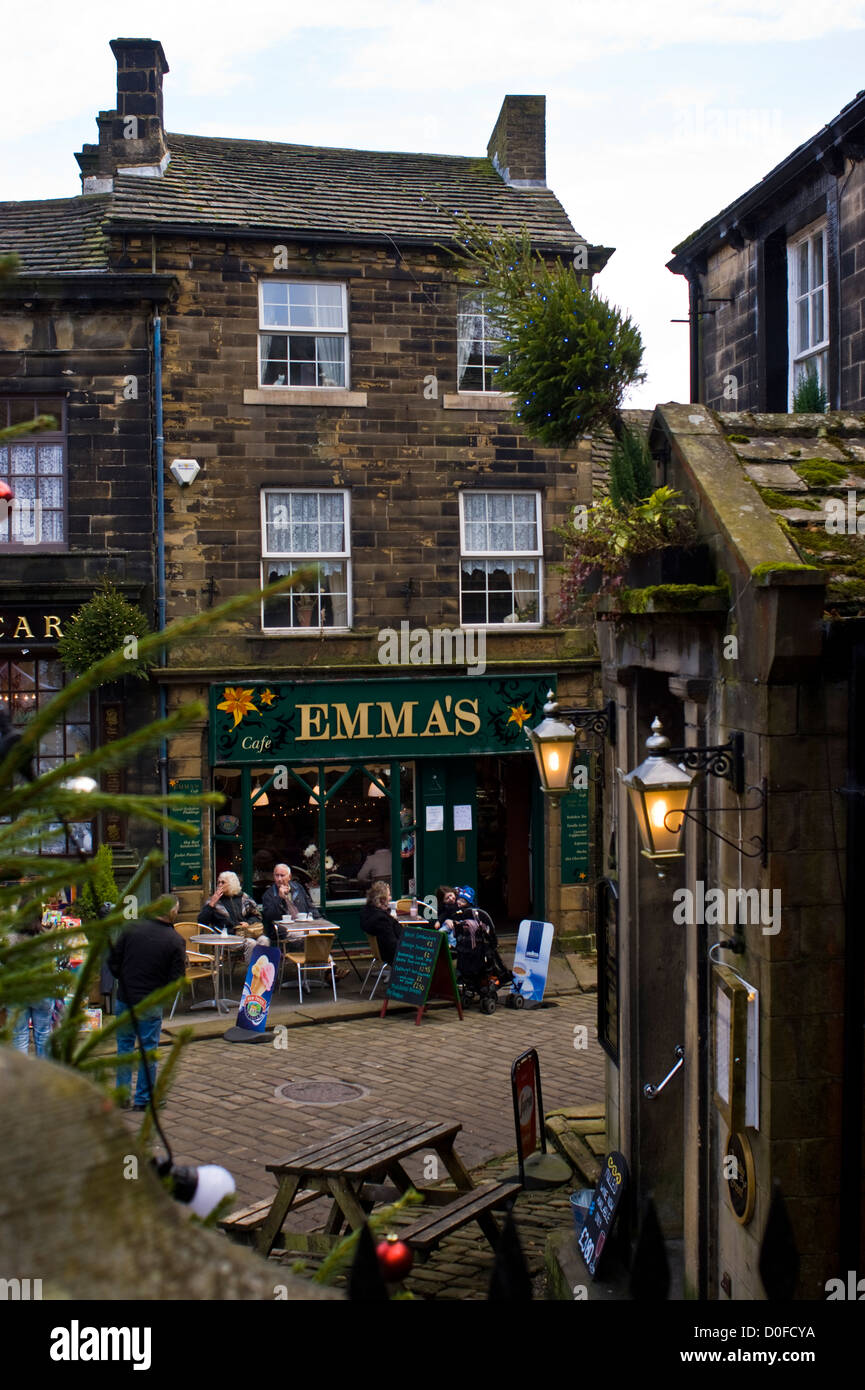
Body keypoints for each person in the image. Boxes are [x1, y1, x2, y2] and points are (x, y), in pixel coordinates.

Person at [107, 897, 186, 1111]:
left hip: (126, 997)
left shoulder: (132, 929)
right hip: (150, 1000)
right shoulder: (174, 940)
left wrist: (123, 978)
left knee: (124, 1047)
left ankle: (122, 1096)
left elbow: (113, 960)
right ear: (172, 912)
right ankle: (143, 1098)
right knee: (148, 1049)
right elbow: (176, 979)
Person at [198, 870, 264, 964]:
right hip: (227, 937)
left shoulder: (244, 898)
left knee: (264, 940)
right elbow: (201, 921)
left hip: (248, 933)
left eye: (223, 882)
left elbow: (257, 915)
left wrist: (248, 923)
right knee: (251, 943)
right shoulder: (214, 900)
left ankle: (261, 974)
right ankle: (251, 974)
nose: (219, 885)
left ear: (232, 884)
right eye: (218, 882)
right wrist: (211, 904)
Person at [260, 863, 318, 945]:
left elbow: (310, 906)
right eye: (277, 875)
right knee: (308, 936)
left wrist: (318, 919)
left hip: (304, 925)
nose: (279, 879)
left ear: (289, 877)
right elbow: (270, 916)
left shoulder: (298, 888)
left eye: (282, 875)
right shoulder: (269, 895)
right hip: (284, 930)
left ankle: (325, 958)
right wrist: (280, 898)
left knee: (318, 935)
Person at [359, 880, 403, 965]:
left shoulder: (368, 912)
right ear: (382, 899)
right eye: (389, 895)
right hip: (394, 956)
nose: (390, 898)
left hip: (382, 952)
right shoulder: (381, 919)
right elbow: (392, 946)